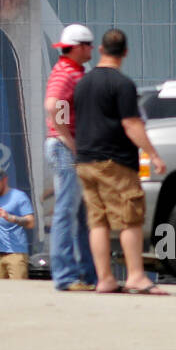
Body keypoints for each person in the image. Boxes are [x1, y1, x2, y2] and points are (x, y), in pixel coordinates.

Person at [73, 28, 168, 295]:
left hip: (85, 161)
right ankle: (136, 276)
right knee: (130, 218)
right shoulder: (122, 84)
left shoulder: (82, 83)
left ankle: (105, 279)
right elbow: (131, 124)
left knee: (98, 221)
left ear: (101, 49)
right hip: (115, 161)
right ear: (125, 52)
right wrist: (153, 154)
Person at [44, 23, 97, 292]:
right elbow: (54, 105)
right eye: (88, 45)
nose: (91, 49)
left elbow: (58, 106)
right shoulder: (66, 73)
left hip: (67, 146)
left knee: (78, 213)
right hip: (65, 148)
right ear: (77, 47)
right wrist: (68, 139)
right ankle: (66, 275)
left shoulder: (72, 70)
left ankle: (86, 275)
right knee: (67, 211)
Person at [0, 167, 35, 280]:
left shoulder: (19, 196)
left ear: (5, 179)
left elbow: (31, 222)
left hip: (16, 253)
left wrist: (10, 217)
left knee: (18, 289)